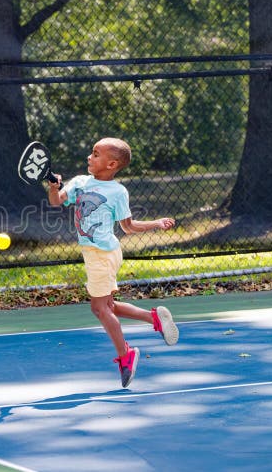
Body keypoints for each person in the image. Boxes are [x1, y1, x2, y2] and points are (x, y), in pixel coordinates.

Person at [47, 137, 178, 388]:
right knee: (108, 306)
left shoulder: (118, 192)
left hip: (103, 255)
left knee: (99, 309)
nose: (89, 157)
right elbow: (57, 201)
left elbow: (128, 227)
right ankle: (155, 319)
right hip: (95, 253)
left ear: (111, 164)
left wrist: (155, 223)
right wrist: (54, 187)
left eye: (96, 154)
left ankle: (126, 355)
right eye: (91, 152)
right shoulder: (80, 183)